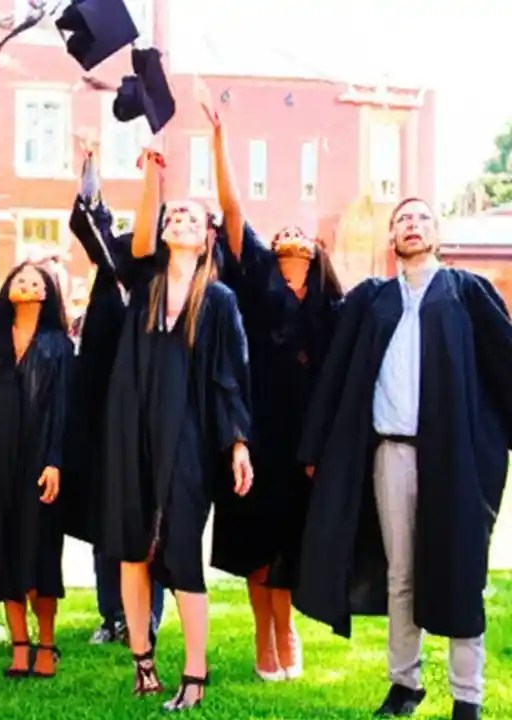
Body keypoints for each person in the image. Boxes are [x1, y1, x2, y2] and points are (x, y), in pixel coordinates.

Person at [295, 197, 511, 720]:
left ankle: (467, 694)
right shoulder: (373, 300)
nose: (412, 226)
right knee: (401, 575)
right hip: (390, 454)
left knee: (462, 570)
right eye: (403, 220)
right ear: (391, 237)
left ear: (437, 233)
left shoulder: (467, 293)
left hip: (453, 458)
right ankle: (404, 684)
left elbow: (505, 363)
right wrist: (316, 446)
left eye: (422, 218)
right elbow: (336, 373)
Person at [196, 87, 342, 682]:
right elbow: (232, 212)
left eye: (299, 233)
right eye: (281, 231)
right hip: (254, 431)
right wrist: (220, 141)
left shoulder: (333, 303)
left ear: (315, 250)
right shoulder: (255, 276)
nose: (289, 235)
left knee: (294, 543)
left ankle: (289, 630)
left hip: (306, 441)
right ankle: (265, 636)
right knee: (257, 543)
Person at [101, 145, 253, 711]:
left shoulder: (218, 301)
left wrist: (238, 442)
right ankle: (143, 662)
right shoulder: (145, 288)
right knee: (131, 549)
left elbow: (232, 378)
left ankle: (195, 670)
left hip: (187, 437)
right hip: (130, 431)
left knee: (182, 548)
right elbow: (138, 239)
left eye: (190, 215)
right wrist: (150, 179)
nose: (178, 220)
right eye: (173, 216)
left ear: (208, 232)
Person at [59, 130, 164, 648]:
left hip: (147, 412)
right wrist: (91, 162)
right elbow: (91, 218)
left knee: (148, 515)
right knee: (105, 511)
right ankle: (111, 614)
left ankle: (148, 616)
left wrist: (153, 178)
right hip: (101, 410)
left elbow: (144, 231)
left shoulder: (160, 277)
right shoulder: (110, 267)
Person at [0, 261, 73, 679]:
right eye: (20, 278)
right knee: (1, 552)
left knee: (40, 551)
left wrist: (55, 460)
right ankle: (18, 644)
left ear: (47, 293)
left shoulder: (58, 345)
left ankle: (46, 642)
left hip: (38, 459)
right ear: (8, 289)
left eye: (36, 280)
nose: (27, 283)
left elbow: (65, 408)